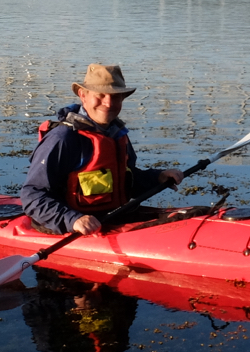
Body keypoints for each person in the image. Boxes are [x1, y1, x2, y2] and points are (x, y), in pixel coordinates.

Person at [21, 63, 182, 235]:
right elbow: (32, 196)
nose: (108, 103)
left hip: (110, 218)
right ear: (83, 95)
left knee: (194, 214)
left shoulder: (117, 134)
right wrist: (73, 219)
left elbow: (125, 180)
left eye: (116, 97)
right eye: (101, 95)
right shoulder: (63, 138)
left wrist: (158, 177)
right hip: (69, 226)